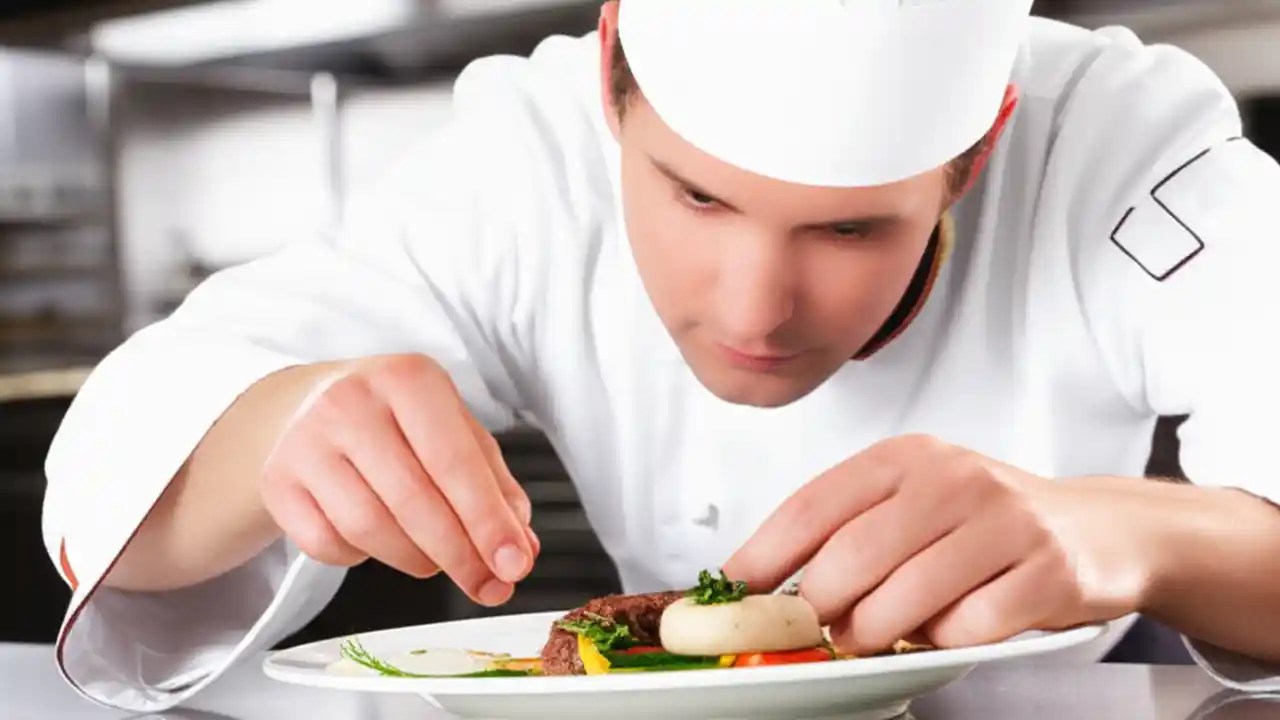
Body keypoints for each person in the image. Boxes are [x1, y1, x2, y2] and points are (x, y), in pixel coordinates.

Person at [41, 0, 1280, 712]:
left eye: (849, 228)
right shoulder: (522, 160)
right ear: (610, 78)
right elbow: (129, 467)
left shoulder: (1121, 147)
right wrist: (279, 428)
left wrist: (1132, 534)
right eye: (691, 197)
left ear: (980, 147)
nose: (756, 306)